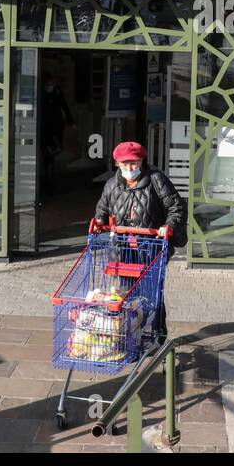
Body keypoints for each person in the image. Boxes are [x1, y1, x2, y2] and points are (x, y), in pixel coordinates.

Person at [94, 141, 187, 339]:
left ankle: (156, 334)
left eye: (134, 163)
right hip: (123, 249)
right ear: (117, 164)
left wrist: (168, 225)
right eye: (125, 163)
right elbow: (102, 209)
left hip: (151, 247)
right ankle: (130, 334)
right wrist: (99, 221)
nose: (130, 168)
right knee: (125, 292)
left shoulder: (156, 180)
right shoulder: (112, 185)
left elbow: (176, 207)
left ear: (141, 161)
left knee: (151, 293)